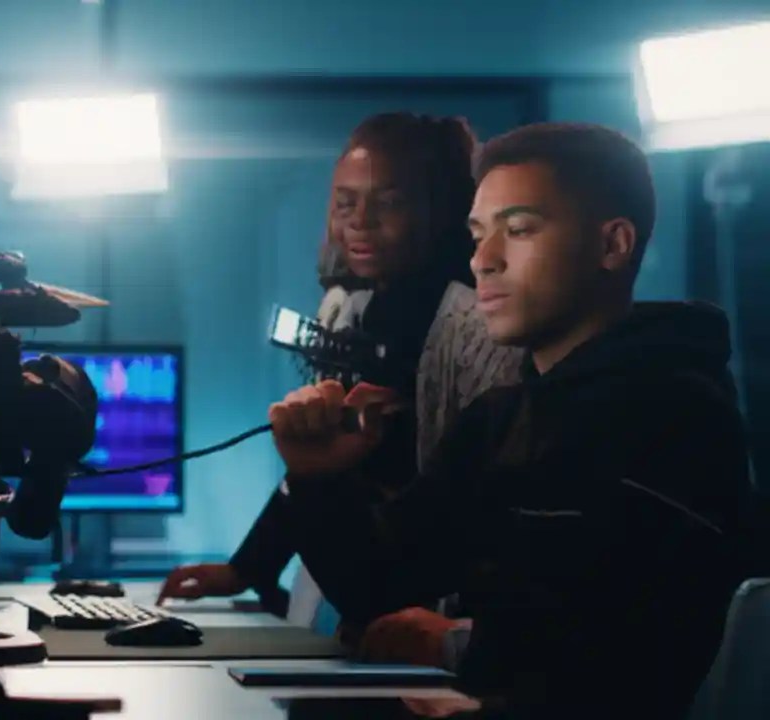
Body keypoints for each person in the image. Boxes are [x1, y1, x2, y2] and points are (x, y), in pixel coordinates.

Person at [271, 123, 753, 718]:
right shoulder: (500, 417)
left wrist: (461, 646)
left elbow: (631, 645)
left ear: (613, 245)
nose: (484, 261)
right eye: (478, 235)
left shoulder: (676, 414)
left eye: (519, 230)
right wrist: (318, 478)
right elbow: (381, 583)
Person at [157, 113, 523, 634]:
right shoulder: (354, 308)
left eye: (389, 201)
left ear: (444, 210)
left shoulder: (468, 327)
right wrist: (248, 565)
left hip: (442, 619)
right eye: (346, 203)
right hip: (365, 590)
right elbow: (321, 466)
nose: (359, 222)